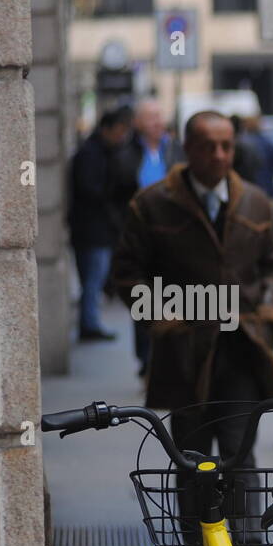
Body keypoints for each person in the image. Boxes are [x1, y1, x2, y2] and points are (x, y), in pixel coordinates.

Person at [109, 110, 273, 546]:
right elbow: (126, 274)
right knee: (191, 459)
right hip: (185, 354)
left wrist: (268, 315)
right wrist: (165, 319)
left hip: (241, 347)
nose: (219, 155)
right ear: (187, 149)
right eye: (209, 146)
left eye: (227, 146)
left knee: (240, 452)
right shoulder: (153, 205)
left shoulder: (256, 201)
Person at [116, 98, 177, 374]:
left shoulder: (175, 150)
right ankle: (146, 359)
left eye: (159, 116)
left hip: (173, 234)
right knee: (142, 295)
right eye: (151, 117)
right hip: (140, 236)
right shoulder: (125, 154)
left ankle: (169, 352)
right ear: (138, 123)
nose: (157, 122)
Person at [68, 106, 134, 342]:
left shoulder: (102, 152)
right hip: (92, 229)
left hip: (96, 228)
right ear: (107, 129)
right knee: (93, 279)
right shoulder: (92, 154)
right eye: (118, 131)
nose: (121, 137)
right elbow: (92, 190)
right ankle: (90, 324)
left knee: (94, 278)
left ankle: (91, 322)